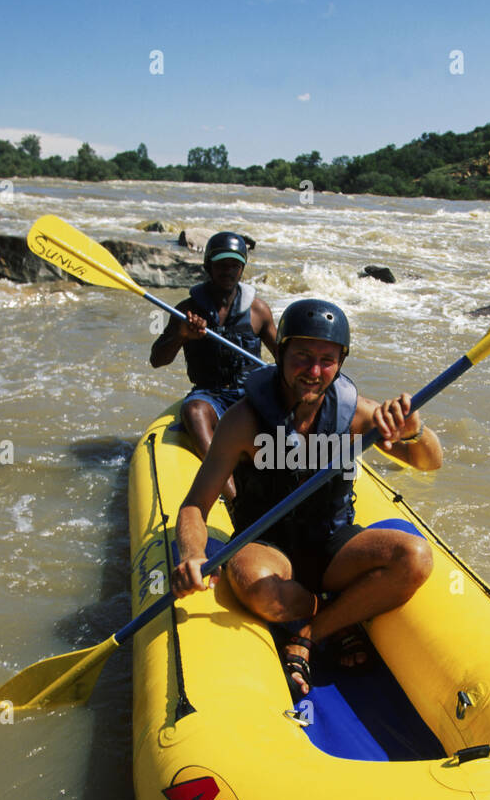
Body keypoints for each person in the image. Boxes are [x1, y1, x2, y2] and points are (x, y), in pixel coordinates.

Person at [171, 298, 442, 697]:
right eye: (302, 356)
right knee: (259, 587)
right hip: (266, 545)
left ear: (341, 361)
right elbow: (196, 504)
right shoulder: (243, 421)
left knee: (415, 557)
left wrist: (414, 431)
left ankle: (311, 633)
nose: (314, 372)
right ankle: (335, 613)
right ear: (279, 352)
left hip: (334, 546)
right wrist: (191, 554)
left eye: (327, 360)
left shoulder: (357, 416)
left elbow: (428, 462)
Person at [150, 231, 278, 501]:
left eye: (234, 265)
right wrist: (181, 335)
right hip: (210, 394)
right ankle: (233, 498)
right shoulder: (185, 310)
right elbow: (157, 360)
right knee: (194, 410)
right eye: (221, 264)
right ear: (208, 266)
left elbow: (285, 358)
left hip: (250, 393)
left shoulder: (259, 311)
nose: (228, 271)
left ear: (242, 268)